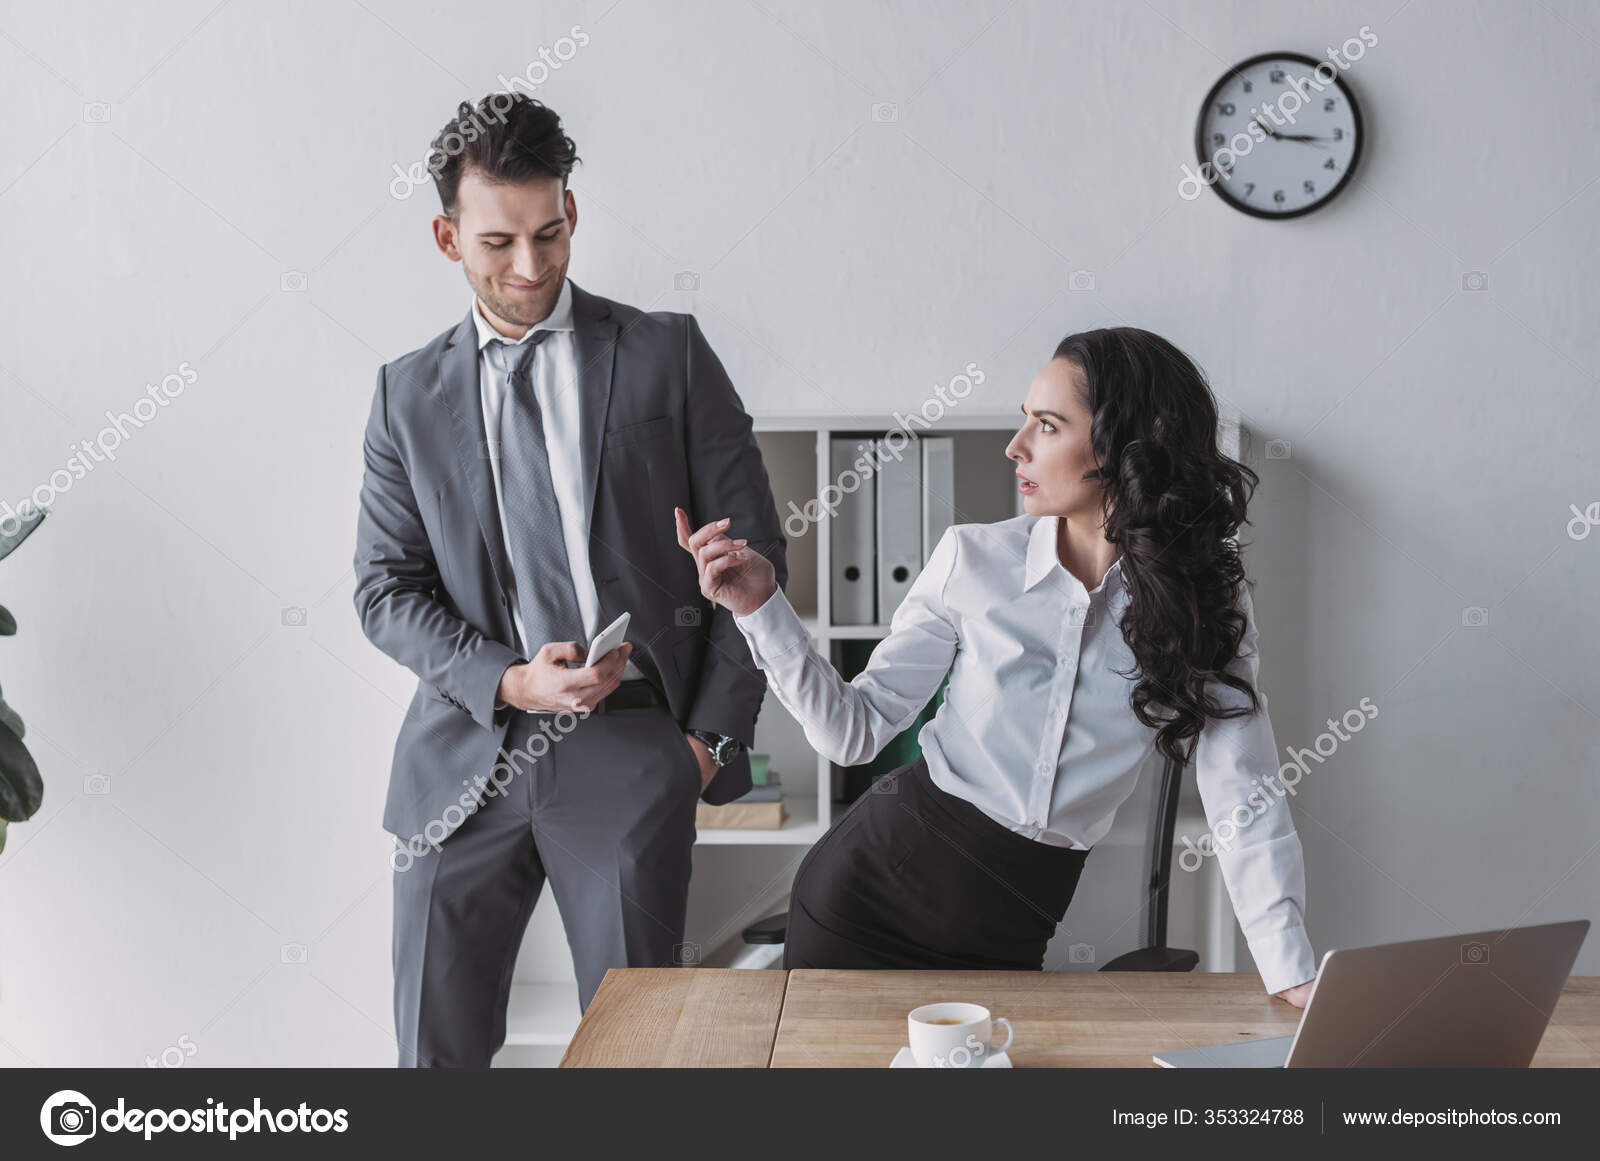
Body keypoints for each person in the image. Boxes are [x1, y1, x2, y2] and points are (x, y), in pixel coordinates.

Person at [674, 327, 1317, 1007]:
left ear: (1127, 445)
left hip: (1011, 926)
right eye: (1024, 420)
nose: (1017, 446)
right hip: (865, 899)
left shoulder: (1202, 602)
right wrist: (761, 607)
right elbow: (852, 733)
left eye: (1048, 426)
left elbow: (1244, 792)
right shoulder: (973, 560)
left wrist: (1292, 971)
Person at [355, 93, 787, 1067]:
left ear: (572, 211)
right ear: (447, 237)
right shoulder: (404, 395)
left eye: (549, 233)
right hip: (460, 758)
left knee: (635, 1058)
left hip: (630, 747)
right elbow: (384, 589)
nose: (530, 265)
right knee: (433, 1060)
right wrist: (509, 680)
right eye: (498, 242)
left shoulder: (667, 354)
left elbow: (755, 555)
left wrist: (706, 744)